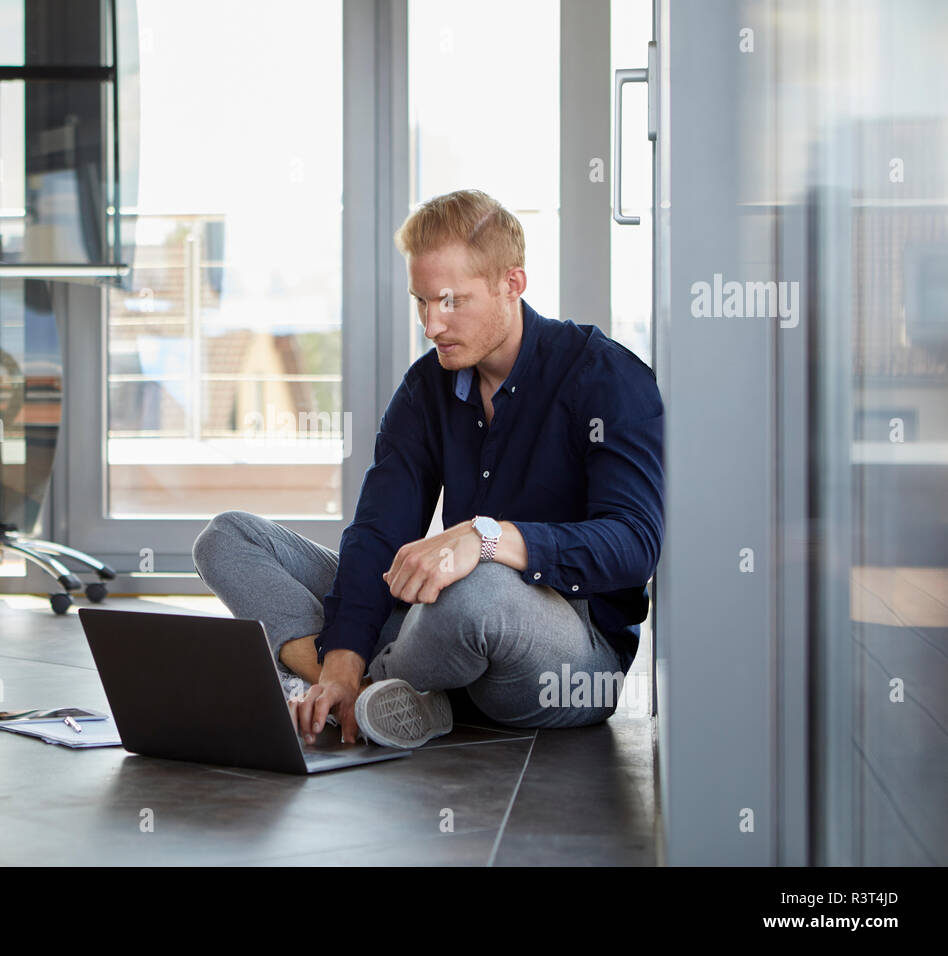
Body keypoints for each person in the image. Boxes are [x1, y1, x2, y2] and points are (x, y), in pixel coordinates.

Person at [192, 189, 664, 750]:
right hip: (437, 630)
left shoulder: (605, 377)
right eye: (421, 302)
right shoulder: (427, 387)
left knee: (480, 586)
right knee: (228, 538)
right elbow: (377, 533)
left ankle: (368, 683)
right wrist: (343, 658)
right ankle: (355, 688)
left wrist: (486, 538)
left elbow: (634, 543)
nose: (431, 324)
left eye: (450, 301)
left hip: (565, 655)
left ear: (512, 284)